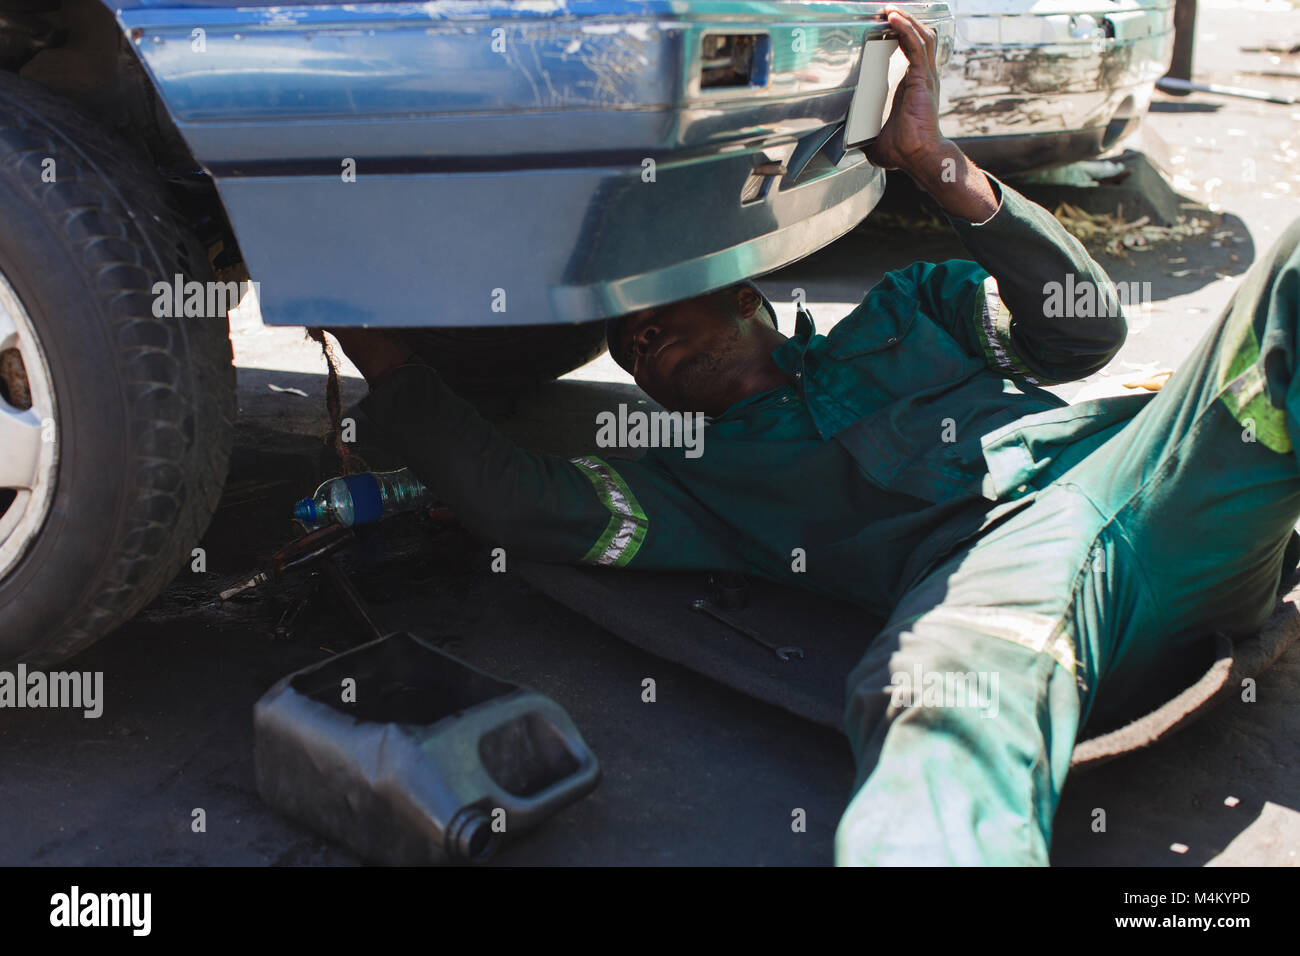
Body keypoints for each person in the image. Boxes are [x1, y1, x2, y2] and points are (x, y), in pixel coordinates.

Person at [329, 7, 1300, 864]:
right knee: (932, 699)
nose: (644, 341)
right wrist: (376, 343)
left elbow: (1083, 331)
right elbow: (513, 500)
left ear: (748, 294)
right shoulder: (694, 482)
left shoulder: (912, 309)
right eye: (629, 349)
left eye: (660, 314)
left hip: (1159, 482)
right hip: (1000, 585)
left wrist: (934, 163)